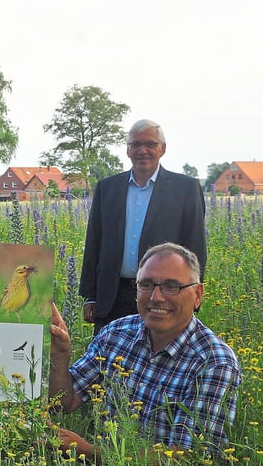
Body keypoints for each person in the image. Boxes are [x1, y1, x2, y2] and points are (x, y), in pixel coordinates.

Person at [49, 243, 240, 460]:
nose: (156, 297)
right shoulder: (116, 334)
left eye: (171, 286)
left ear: (197, 294)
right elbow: (64, 403)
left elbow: (192, 457)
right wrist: (59, 356)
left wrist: (90, 452)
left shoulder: (214, 363)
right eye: (146, 285)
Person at [80, 119, 206, 333]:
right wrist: (90, 295)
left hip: (162, 296)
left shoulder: (185, 188)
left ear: (162, 149)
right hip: (112, 295)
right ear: (128, 150)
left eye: (150, 144)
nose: (143, 151)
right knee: (107, 360)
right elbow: (94, 242)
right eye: (136, 145)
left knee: (159, 361)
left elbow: (195, 248)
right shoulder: (107, 188)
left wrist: (191, 296)